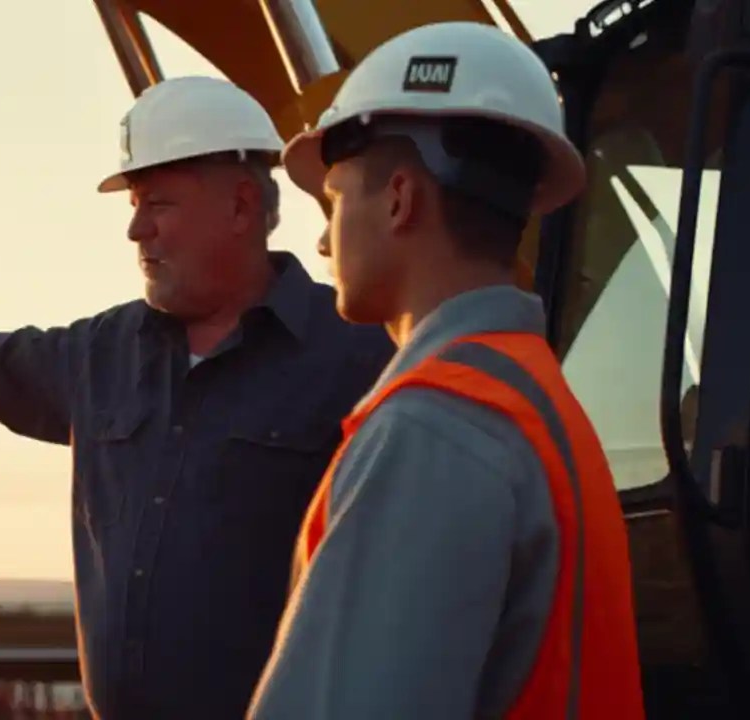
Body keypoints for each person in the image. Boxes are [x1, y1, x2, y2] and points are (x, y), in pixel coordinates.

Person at [0, 75, 393, 719]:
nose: (137, 231)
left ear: (242, 208)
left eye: (157, 204)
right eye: (134, 206)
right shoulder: (101, 354)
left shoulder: (358, 358)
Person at [247, 22, 644, 719]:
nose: (320, 237)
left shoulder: (433, 430)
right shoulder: (534, 401)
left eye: (336, 200)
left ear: (400, 199)